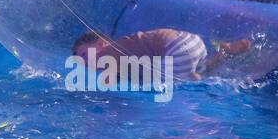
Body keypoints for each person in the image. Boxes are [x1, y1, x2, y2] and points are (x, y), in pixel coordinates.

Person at [71, 28, 253, 82]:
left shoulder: (111, 51)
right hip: (191, 42)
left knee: (177, 84)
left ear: (102, 44)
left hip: (177, 48)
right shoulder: (125, 52)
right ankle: (224, 53)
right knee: (205, 73)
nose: (85, 63)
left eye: (85, 55)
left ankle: (194, 76)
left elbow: (109, 82)